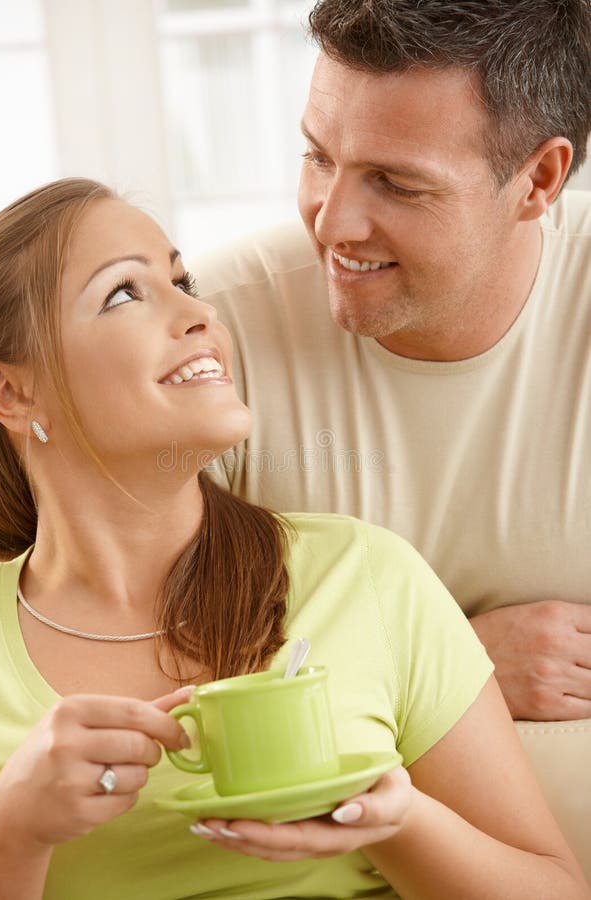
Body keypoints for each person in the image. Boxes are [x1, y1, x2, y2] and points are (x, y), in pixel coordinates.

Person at [0, 178, 588, 900]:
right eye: (124, 294)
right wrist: (12, 829)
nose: (200, 314)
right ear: (11, 393)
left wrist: (395, 818)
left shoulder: (366, 577)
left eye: (182, 282)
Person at [192, 0, 591, 875]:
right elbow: (121, 662)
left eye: (397, 184)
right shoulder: (206, 337)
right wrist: (449, 670)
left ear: (537, 179)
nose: (330, 221)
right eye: (317, 157)